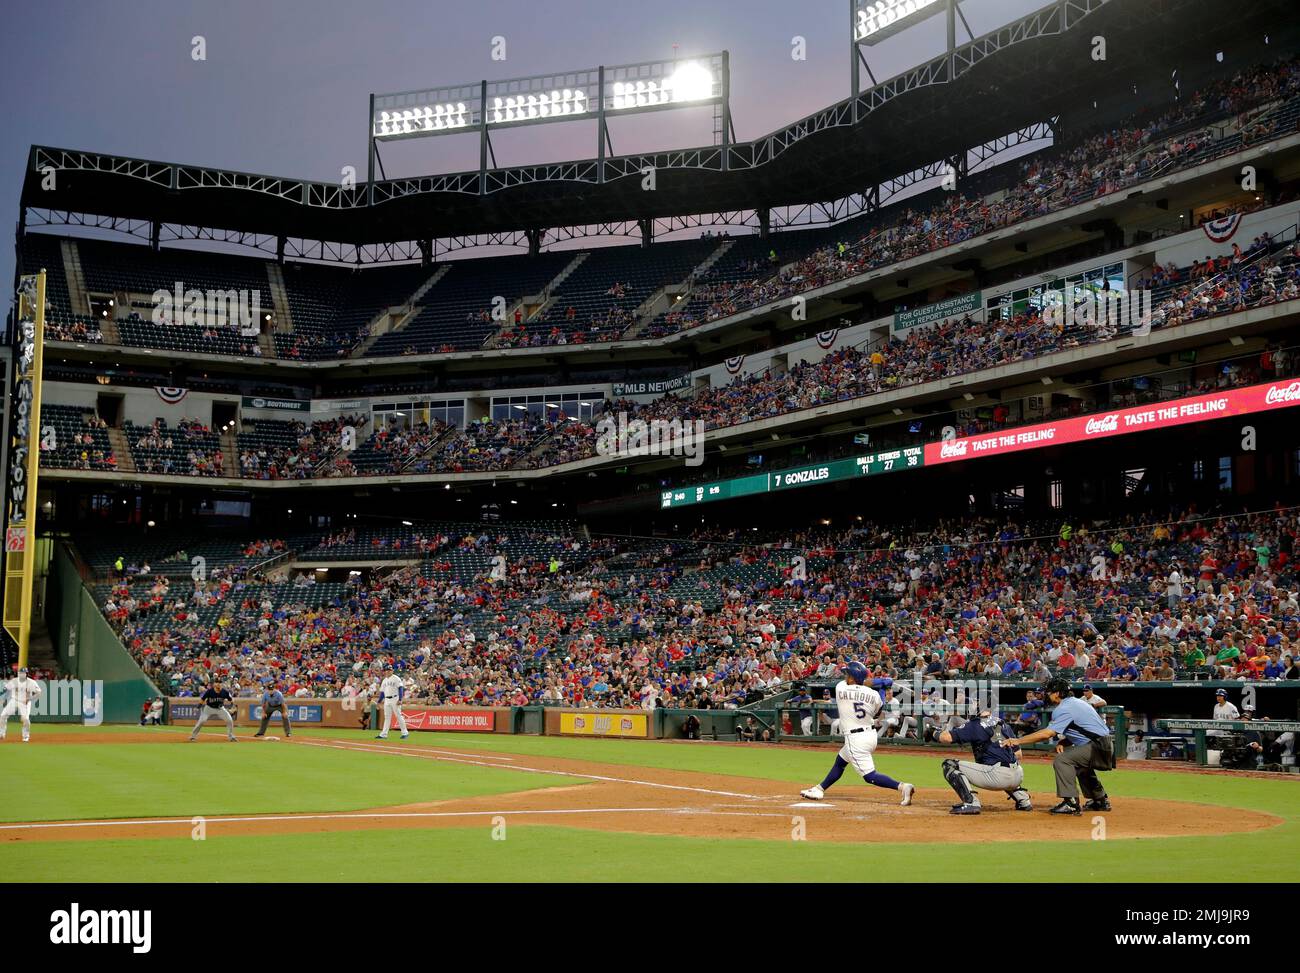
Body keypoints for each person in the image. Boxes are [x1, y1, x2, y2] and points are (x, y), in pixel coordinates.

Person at [797, 662, 915, 807]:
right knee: (840, 762)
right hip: (870, 736)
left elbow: (864, 683)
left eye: (848, 674)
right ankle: (819, 789)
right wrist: (883, 686)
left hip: (856, 739)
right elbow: (879, 709)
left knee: (869, 776)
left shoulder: (841, 688)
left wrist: (880, 682)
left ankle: (903, 787)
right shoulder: (873, 694)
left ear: (853, 677)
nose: (845, 676)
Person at [1003, 677, 1113, 815]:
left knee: (1063, 760)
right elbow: (1087, 729)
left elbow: (1047, 734)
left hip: (1097, 746)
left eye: (1049, 692)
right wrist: (1065, 741)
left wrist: (1018, 741)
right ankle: (1100, 800)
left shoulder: (1064, 708)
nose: (1046, 695)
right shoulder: (1077, 702)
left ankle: (1071, 803)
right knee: (1080, 765)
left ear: (1058, 693)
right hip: (1103, 744)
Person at [938, 710, 1033, 814]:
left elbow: (945, 737)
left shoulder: (975, 724)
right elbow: (1019, 754)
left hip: (998, 777)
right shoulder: (1002, 723)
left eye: (974, 702)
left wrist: (935, 733)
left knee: (950, 765)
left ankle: (971, 802)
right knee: (1006, 767)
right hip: (1018, 776)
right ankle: (1023, 800)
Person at [0, 668, 43, 743]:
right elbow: (6, 689)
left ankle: (26, 736)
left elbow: (39, 692)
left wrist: (30, 698)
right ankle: (1, 733)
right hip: (14, 700)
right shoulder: (14, 681)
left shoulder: (31, 682)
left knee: (26, 719)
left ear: (26, 674)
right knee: (3, 715)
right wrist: (3, 699)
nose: (22, 674)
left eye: (24, 673)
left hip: (24, 702)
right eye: (20, 673)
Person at [376, 665, 409, 740]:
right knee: (387, 717)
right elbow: (382, 693)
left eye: (389, 670)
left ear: (392, 671)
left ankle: (405, 732)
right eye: (387, 670)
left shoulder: (396, 678)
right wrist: (379, 701)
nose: (388, 671)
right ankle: (384, 734)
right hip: (387, 700)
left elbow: (401, 688)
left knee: (398, 716)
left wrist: (400, 699)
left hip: (395, 698)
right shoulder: (384, 680)